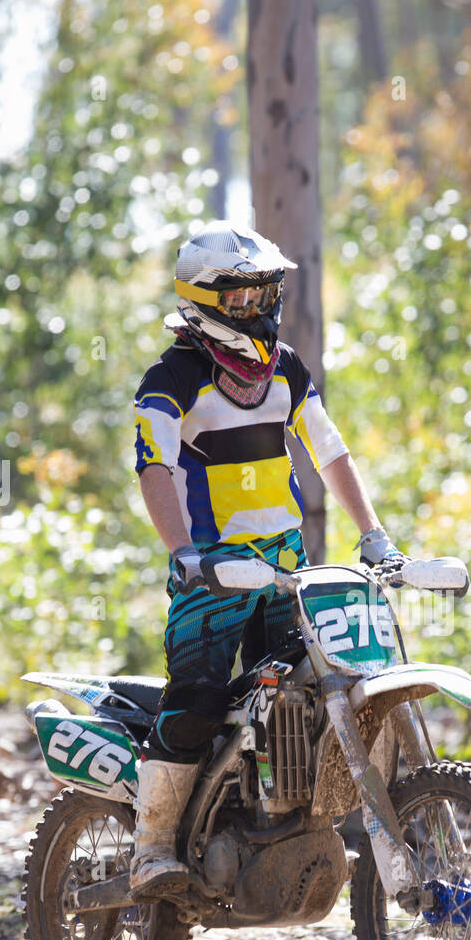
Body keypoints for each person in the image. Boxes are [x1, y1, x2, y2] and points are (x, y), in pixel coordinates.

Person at [130, 221, 404, 902]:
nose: (258, 308)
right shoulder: (172, 377)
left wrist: (373, 535)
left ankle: (283, 826)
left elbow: (329, 450)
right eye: (243, 298)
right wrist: (183, 552)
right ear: (204, 300)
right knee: (197, 699)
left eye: (265, 294)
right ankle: (152, 846)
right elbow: (154, 466)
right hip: (213, 571)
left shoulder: (286, 367)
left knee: (311, 691)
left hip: (285, 566)